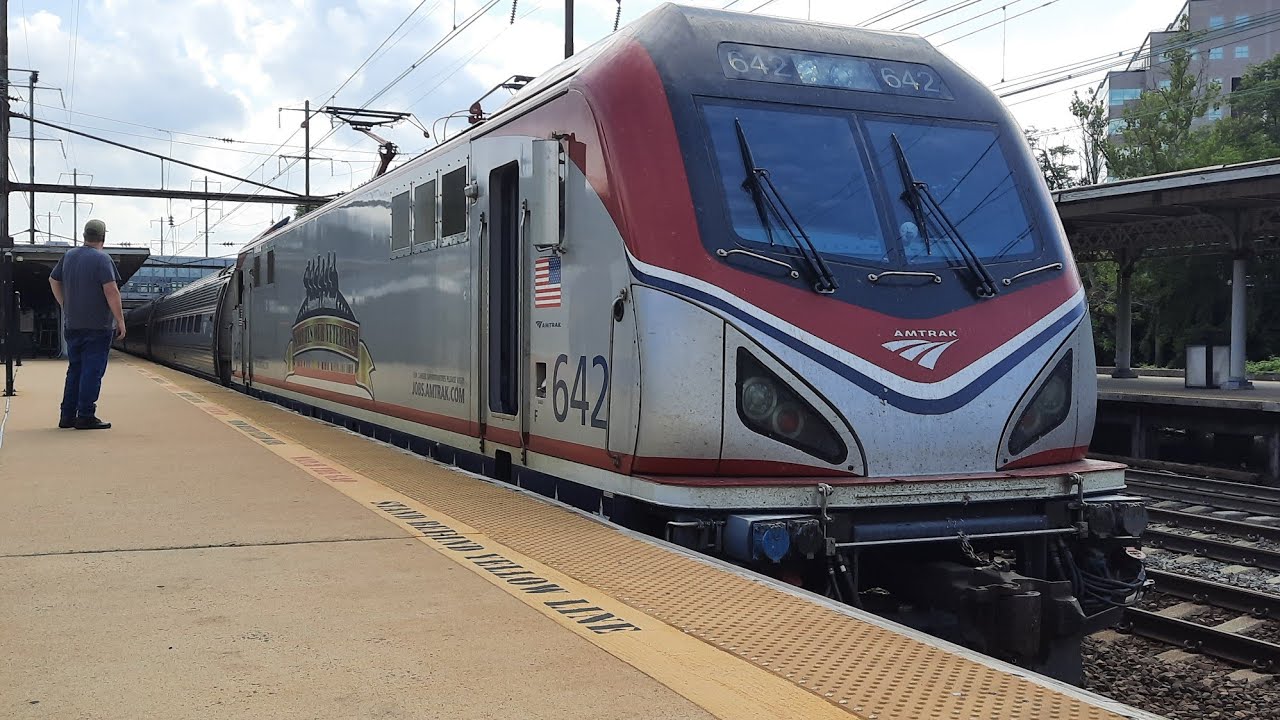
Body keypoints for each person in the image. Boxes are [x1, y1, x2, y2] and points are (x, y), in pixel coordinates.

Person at [49, 219, 125, 430]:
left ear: (84, 235)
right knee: (92, 371)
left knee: (75, 369)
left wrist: (65, 303)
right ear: (103, 237)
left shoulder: (69, 256)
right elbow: (111, 291)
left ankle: (66, 416)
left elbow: (53, 280)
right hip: (98, 326)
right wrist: (120, 320)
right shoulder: (103, 259)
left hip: (72, 325)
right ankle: (85, 415)